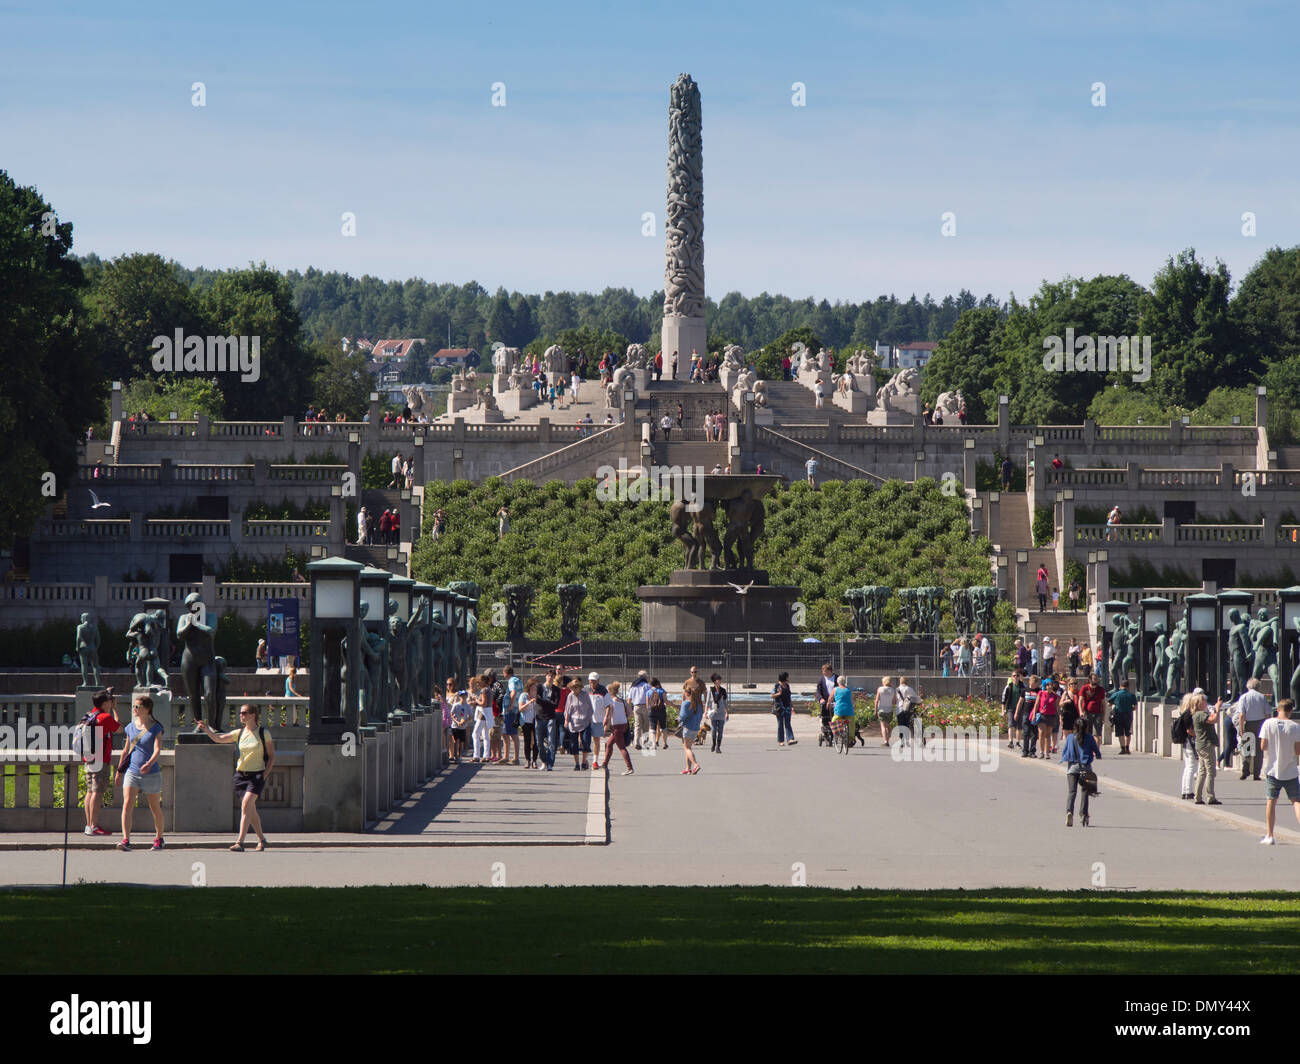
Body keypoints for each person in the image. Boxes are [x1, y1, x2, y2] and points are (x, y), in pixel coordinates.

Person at [197, 703, 276, 851]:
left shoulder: (263, 733)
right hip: (241, 775)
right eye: (240, 713)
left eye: (244, 713)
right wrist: (206, 729)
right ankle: (262, 839)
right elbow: (219, 739)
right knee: (250, 809)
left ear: (253, 715)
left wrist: (265, 774)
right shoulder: (239, 733)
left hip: (256, 775)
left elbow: (272, 757)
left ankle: (240, 842)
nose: (241, 715)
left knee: (246, 805)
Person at [116, 693, 165, 852]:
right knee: (127, 804)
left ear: (147, 709)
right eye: (134, 706)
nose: (135, 709)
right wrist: (119, 771)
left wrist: (150, 764)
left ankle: (159, 838)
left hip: (151, 773)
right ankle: (126, 839)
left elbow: (157, 750)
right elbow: (126, 750)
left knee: (154, 806)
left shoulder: (156, 727)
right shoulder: (130, 726)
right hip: (132, 771)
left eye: (138, 707)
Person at [1259, 699, 1300, 845]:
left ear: (1278, 709)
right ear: (1290, 711)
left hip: (1272, 769)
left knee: (1271, 801)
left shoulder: (1268, 723)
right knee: (1296, 801)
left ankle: (1270, 835)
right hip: (1290, 770)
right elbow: (1297, 750)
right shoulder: (1295, 727)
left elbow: (1263, 746)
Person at [82, 688, 120, 836]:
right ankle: (94, 826)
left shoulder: (89, 715)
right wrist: (115, 709)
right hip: (101, 760)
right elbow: (118, 728)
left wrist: (106, 693)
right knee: (97, 793)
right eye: (109, 701)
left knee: (90, 791)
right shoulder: (105, 718)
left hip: (89, 758)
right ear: (105, 703)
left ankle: (88, 825)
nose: (111, 703)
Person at [1062, 718, 1102, 827]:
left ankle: (1069, 811)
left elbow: (1065, 752)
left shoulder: (1070, 737)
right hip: (1085, 769)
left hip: (1072, 769)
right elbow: (1097, 752)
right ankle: (1083, 814)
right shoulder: (1089, 738)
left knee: (1072, 791)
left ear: (1075, 726)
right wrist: (1097, 755)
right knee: (1085, 791)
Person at [1233, 677, 1272, 781]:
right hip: (1260, 723)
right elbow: (1268, 714)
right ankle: (1256, 773)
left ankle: (1245, 770)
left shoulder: (1244, 697)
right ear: (1258, 686)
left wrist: (1241, 729)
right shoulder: (1262, 697)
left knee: (1247, 748)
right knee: (1259, 750)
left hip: (1248, 723)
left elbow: (1241, 715)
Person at [1191, 691, 1223, 805]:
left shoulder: (1196, 714)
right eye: (1203, 700)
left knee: (1202, 771)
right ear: (1198, 703)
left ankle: (1198, 797)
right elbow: (1213, 719)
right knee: (1210, 772)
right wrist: (1218, 708)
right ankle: (1210, 797)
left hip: (1200, 744)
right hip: (1206, 745)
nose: (1205, 702)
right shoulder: (1201, 714)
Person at [601, 681, 634, 775]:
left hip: (616, 726)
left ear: (610, 692)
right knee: (609, 744)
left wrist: (604, 729)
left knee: (621, 747)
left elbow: (609, 716)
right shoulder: (622, 701)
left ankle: (629, 767)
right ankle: (604, 763)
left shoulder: (611, 702)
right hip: (624, 725)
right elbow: (630, 714)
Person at [564, 678, 594, 771]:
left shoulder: (585, 695)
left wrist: (589, 718)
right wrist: (566, 720)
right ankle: (576, 763)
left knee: (585, 742)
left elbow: (590, 708)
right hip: (573, 722)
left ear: (580, 688)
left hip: (585, 721)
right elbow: (567, 709)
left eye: (576, 687)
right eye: (573, 688)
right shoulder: (570, 696)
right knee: (574, 744)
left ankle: (584, 762)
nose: (574, 689)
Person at [678, 672, 704, 775]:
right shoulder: (697, 704)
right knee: (688, 747)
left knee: (687, 748)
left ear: (686, 693)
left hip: (688, 728)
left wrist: (678, 720)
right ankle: (688, 768)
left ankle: (695, 764)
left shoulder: (685, 704)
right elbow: (700, 715)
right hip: (695, 728)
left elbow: (682, 717)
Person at [586, 672, 609, 769]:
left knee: (596, 740)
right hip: (586, 719)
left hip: (598, 719)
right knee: (584, 740)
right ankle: (585, 759)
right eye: (590, 681)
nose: (592, 683)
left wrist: (606, 717)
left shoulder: (603, 690)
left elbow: (608, 705)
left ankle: (595, 761)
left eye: (594, 681)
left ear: (598, 681)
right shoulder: (585, 689)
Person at [1108, 679, 1136, 755]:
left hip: (1118, 715)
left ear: (1120, 686)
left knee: (1120, 732)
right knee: (1128, 732)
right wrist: (1131, 708)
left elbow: (1109, 703)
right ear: (1128, 687)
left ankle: (1122, 748)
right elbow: (1135, 706)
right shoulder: (1131, 695)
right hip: (1128, 715)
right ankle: (1127, 747)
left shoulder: (1116, 694)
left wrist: (1115, 704)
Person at [501, 666, 522, 765]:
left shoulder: (511, 681)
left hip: (511, 711)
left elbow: (513, 692)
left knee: (512, 734)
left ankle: (515, 758)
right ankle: (506, 756)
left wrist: (510, 705)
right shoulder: (518, 680)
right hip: (515, 709)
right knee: (505, 733)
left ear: (506, 673)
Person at [1016, 676, 1040, 758]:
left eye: (1035, 684)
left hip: (1035, 714)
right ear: (1030, 682)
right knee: (1026, 733)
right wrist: (1016, 713)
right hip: (1026, 714)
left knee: (1034, 733)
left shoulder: (1039, 691)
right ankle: (1025, 751)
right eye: (1032, 684)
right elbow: (1020, 702)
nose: (1034, 686)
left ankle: (1032, 751)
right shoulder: (1024, 690)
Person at [706, 673, 729, 752]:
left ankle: (718, 747)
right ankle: (713, 744)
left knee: (720, 731)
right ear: (715, 681)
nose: (719, 681)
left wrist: (727, 713)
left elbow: (725, 702)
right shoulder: (711, 690)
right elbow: (708, 702)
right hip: (714, 713)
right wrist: (705, 712)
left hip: (721, 713)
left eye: (720, 680)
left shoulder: (723, 690)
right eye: (718, 680)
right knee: (714, 730)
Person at [772, 671, 797, 746]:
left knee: (788, 723)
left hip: (787, 707)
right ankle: (781, 741)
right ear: (784, 678)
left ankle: (790, 739)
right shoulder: (777, 686)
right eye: (787, 677)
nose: (788, 678)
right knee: (780, 724)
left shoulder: (787, 686)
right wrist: (779, 694)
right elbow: (772, 695)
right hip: (780, 708)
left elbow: (789, 697)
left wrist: (792, 707)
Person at [469, 676, 491, 762]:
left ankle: (476, 755)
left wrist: (476, 700)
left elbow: (483, 703)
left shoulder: (483, 690)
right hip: (488, 714)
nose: (478, 683)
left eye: (479, 682)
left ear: (483, 682)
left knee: (475, 734)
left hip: (482, 714)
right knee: (485, 736)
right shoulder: (489, 690)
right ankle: (486, 756)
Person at [1002, 670, 1025, 749]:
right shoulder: (1009, 686)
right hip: (1010, 708)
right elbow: (1003, 699)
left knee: (1019, 726)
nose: (1015, 677)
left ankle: (1018, 742)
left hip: (1020, 709)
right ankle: (1011, 741)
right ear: (1012, 677)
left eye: (1017, 675)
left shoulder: (1022, 686)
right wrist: (1003, 710)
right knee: (1011, 725)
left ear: (1019, 677)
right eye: (1014, 676)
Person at [1037, 677, 1060, 757]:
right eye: (1048, 685)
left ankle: (1047, 753)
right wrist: (1033, 715)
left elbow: (1057, 707)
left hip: (1051, 716)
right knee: (1041, 733)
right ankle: (1041, 751)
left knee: (1048, 734)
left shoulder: (1055, 696)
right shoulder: (1041, 693)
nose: (1049, 686)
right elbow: (1037, 704)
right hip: (1042, 715)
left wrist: (1060, 716)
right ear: (1045, 686)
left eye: (1051, 684)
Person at [519, 679, 539, 769]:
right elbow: (520, 708)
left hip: (536, 721)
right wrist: (529, 702)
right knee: (527, 741)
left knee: (536, 741)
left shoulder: (537, 696)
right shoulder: (524, 695)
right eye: (533, 688)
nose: (534, 690)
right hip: (526, 721)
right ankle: (527, 760)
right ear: (529, 687)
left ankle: (534, 761)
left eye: (536, 688)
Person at [629, 670, 651, 750]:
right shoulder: (647, 686)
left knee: (637, 725)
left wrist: (628, 709)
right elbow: (650, 697)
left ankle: (636, 742)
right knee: (645, 726)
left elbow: (629, 699)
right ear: (645, 677)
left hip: (636, 707)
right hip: (645, 706)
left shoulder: (634, 686)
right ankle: (645, 742)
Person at [831, 676, 855, 747]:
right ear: (845, 682)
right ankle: (851, 737)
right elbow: (852, 699)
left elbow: (830, 698)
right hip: (849, 711)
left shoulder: (835, 689)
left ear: (838, 682)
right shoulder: (848, 690)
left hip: (839, 710)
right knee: (852, 723)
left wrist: (828, 703)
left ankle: (837, 734)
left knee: (834, 720)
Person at [449, 681, 469, 763]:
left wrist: (465, 721)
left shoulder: (467, 706)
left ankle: (459, 756)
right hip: (455, 725)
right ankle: (455, 755)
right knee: (455, 741)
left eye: (464, 696)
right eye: (461, 696)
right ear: (459, 696)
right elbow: (451, 714)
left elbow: (470, 716)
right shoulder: (456, 705)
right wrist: (457, 721)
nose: (463, 697)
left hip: (463, 726)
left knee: (461, 742)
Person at [647, 676, 670, 749]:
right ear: (657, 683)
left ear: (651, 684)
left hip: (652, 711)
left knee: (652, 728)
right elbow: (666, 701)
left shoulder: (648, 692)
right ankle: (665, 743)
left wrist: (648, 711)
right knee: (663, 728)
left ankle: (653, 744)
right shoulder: (661, 691)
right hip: (661, 711)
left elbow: (647, 704)